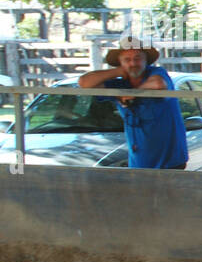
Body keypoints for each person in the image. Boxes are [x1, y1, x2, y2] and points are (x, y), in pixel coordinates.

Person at [77, 36, 188, 169]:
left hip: (170, 161)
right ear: (120, 62)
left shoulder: (157, 73)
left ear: (146, 60)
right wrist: (118, 71)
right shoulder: (119, 84)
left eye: (137, 58)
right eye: (127, 60)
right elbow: (84, 83)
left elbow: (159, 84)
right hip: (138, 162)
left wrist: (133, 93)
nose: (133, 63)